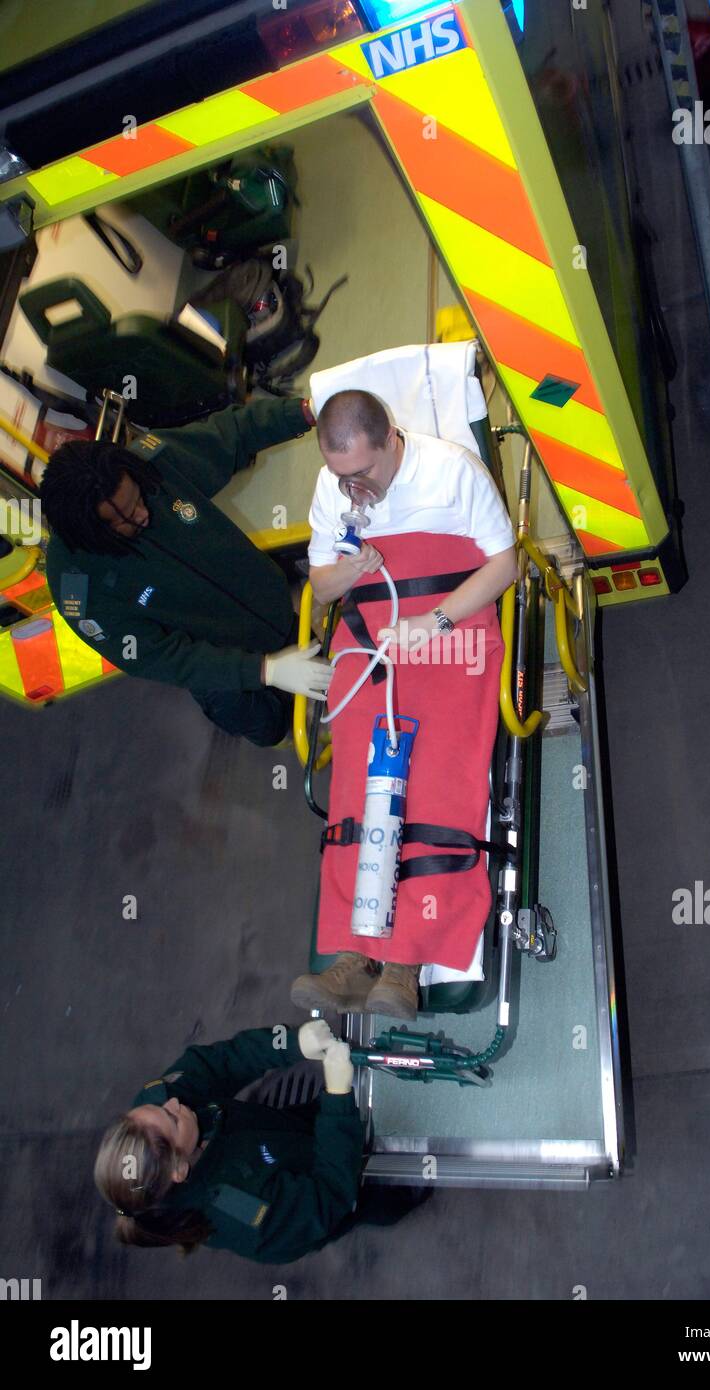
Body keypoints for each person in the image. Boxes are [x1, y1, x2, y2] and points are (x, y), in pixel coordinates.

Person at [290, 389, 517, 1019]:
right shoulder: (333, 489)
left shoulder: (453, 473)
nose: (351, 487)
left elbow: (505, 566)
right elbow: (321, 582)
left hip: (454, 630)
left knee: (435, 783)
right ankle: (350, 954)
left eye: (361, 472)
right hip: (371, 634)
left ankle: (407, 959)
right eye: (341, 475)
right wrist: (352, 564)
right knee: (359, 786)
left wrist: (435, 624)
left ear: (391, 439)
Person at [41, 395, 332, 747]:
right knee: (270, 728)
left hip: (267, 607)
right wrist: (264, 670)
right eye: (127, 518)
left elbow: (233, 433)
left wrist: (306, 411)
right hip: (216, 667)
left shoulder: (148, 465)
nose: (143, 514)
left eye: (139, 499)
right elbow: (156, 656)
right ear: (92, 532)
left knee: (321, 668)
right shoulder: (78, 585)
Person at [94, 1021, 363, 1262]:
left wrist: (290, 1043)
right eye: (171, 1117)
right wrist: (338, 1102)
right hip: (347, 1188)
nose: (174, 1102)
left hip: (291, 1132)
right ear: (179, 1170)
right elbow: (329, 1198)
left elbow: (220, 1063)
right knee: (384, 1196)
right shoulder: (240, 1209)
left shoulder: (151, 1116)